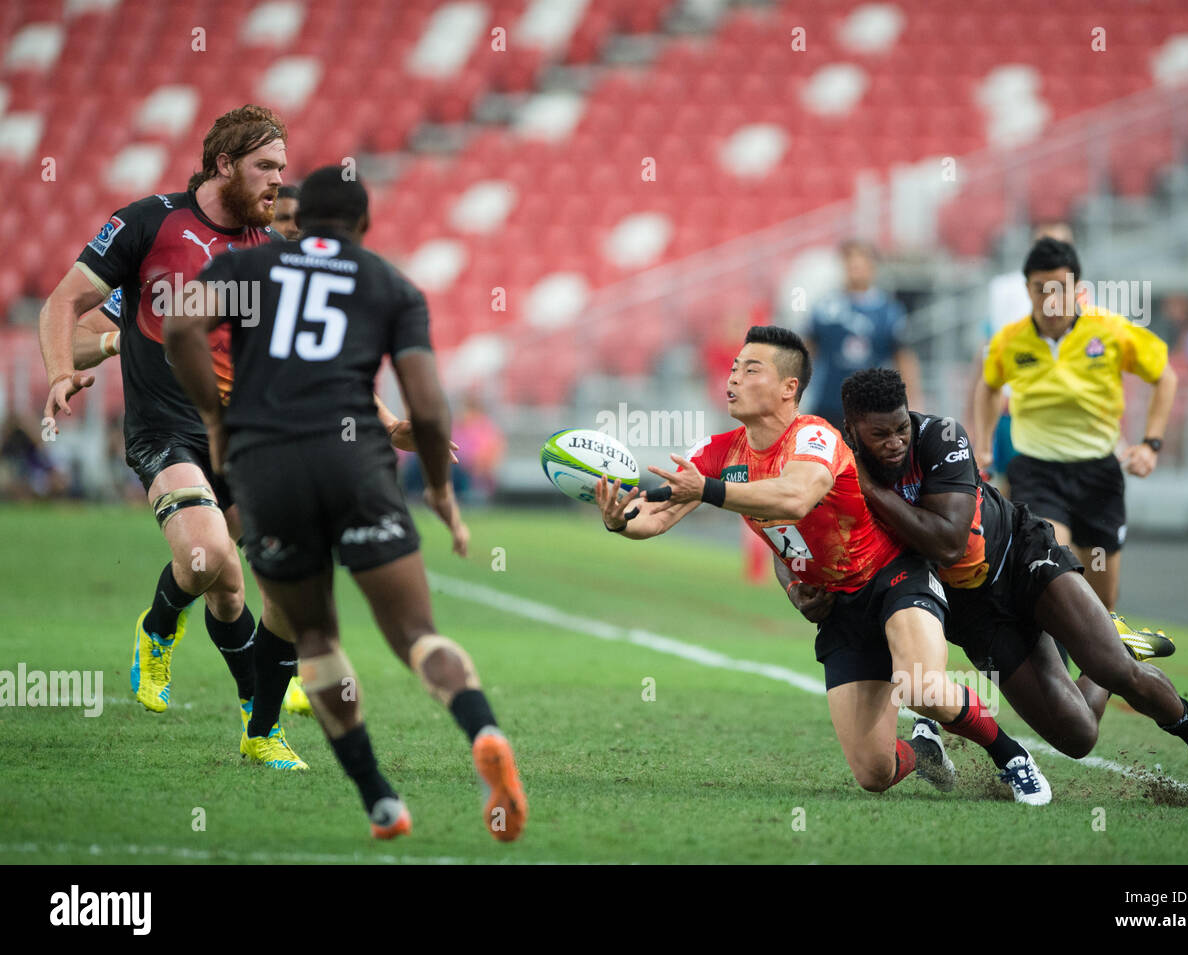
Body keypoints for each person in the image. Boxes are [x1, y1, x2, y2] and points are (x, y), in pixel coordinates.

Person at [164, 165, 527, 841]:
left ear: (294, 218)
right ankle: (482, 730)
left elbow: (180, 331)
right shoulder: (391, 284)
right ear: (363, 225)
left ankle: (380, 800)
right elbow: (427, 402)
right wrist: (444, 495)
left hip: (266, 466)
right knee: (417, 633)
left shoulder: (250, 267)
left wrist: (217, 422)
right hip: (355, 460)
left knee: (317, 639)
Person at [597, 325, 1053, 804]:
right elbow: (653, 516)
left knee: (920, 685)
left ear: (788, 388)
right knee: (874, 773)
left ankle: (1011, 756)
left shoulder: (815, 436)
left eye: (750, 370)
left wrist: (709, 491)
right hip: (839, 609)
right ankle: (925, 749)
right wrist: (618, 518)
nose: (733, 378)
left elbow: (794, 497)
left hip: (895, 577)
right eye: (733, 368)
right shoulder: (716, 453)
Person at [785, 369, 1188, 802]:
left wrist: (870, 489)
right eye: (879, 434)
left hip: (1020, 556)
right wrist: (793, 583)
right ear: (851, 431)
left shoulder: (941, 437)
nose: (895, 442)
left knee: (1114, 671)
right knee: (1077, 737)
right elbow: (785, 525)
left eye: (901, 427)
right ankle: (1120, 644)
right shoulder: (833, 468)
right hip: (973, 613)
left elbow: (948, 542)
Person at [38, 105, 309, 767]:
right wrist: (66, 368)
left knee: (240, 586)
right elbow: (61, 307)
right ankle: (246, 710)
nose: (278, 181)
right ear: (223, 163)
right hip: (165, 430)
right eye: (266, 167)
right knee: (209, 555)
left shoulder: (268, 252)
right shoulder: (146, 223)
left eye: (282, 168)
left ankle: (198, 662)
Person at [972, 238, 1178, 611]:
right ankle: (1056, 669)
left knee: (1102, 602)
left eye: (1060, 290)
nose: (1051, 300)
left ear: (1077, 290)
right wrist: (984, 443)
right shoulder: (1009, 341)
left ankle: (1096, 669)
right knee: (1056, 569)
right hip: (1036, 471)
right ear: (1027, 290)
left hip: (1098, 472)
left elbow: (1165, 377)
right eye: (1040, 290)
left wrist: (1152, 444)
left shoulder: (1110, 331)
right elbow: (988, 386)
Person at [974, 222, 1075, 488]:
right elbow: (988, 350)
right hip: (1014, 408)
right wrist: (978, 425)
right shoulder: (1005, 289)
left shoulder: (1085, 293)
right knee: (1011, 491)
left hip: (1065, 411)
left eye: (1063, 244)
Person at [804, 240, 923, 424]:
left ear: (872, 266)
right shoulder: (825, 307)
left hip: (872, 406)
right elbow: (808, 350)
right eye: (850, 263)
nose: (855, 269)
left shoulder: (889, 311)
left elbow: (904, 358)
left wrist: (913, 400)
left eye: (861, 263)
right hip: (829, 404)